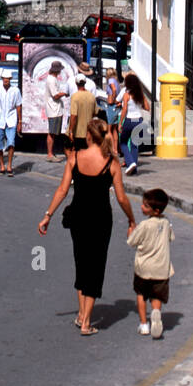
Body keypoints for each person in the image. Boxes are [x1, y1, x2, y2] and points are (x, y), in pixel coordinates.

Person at [38, 118, 137, 335]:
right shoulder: (111, 163)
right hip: (101, 219)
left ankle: (82, 315)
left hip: (78, 217)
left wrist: (48, 215)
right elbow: (121, 198)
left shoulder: (74, 157)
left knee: (81, 263)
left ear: (89, 136)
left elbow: (62, 191)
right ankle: (86, 323)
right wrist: (131, 219)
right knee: (95, 266)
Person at [127, 188, 174, 338]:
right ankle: (156, 313)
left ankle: (143, 324)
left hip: (144, 268)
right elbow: (171, 238)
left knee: (141, 295)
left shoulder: (144, 225)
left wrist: (131, 231)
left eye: (145, 206)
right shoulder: (166, 223)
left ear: (154, 210)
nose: (142, 207)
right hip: (161, 268)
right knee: (157, 296)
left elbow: (132, 241)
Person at [0, 70, 22, 176]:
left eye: (8, 78)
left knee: (11, 143)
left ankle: (9, 165)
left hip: (11, 120)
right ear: (2, 79)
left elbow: (18, 106)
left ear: (10, 79)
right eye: (4, 78)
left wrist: (20, 121)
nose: (6, 80)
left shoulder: (15, 91)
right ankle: (2, 165)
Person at [118, 71, 151, 175]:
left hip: (129, 120)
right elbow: (147, 108)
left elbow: (124, 110)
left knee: (123, 142)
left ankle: (130, 162)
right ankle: (134, 168)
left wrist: (120, 123)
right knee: (134, 145)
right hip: (139, 120)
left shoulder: (126, 95)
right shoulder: (140, 95)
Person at [43, 60, 68, 160]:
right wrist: (64, 93)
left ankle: (51, 153)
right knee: (52, 132)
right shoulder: (51, 80)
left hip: (55, 108)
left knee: (53, 132)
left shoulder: (52, 79)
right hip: (53, 109)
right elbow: (55, 95)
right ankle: (50, 154)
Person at [70, 78, 97, 152]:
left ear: (76, 83)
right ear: (85, 83)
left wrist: (70, 131)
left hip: (78, 132)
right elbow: (95, 112)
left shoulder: (75, 96)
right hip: (88, 131)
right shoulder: (91, 96)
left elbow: (73, 116)